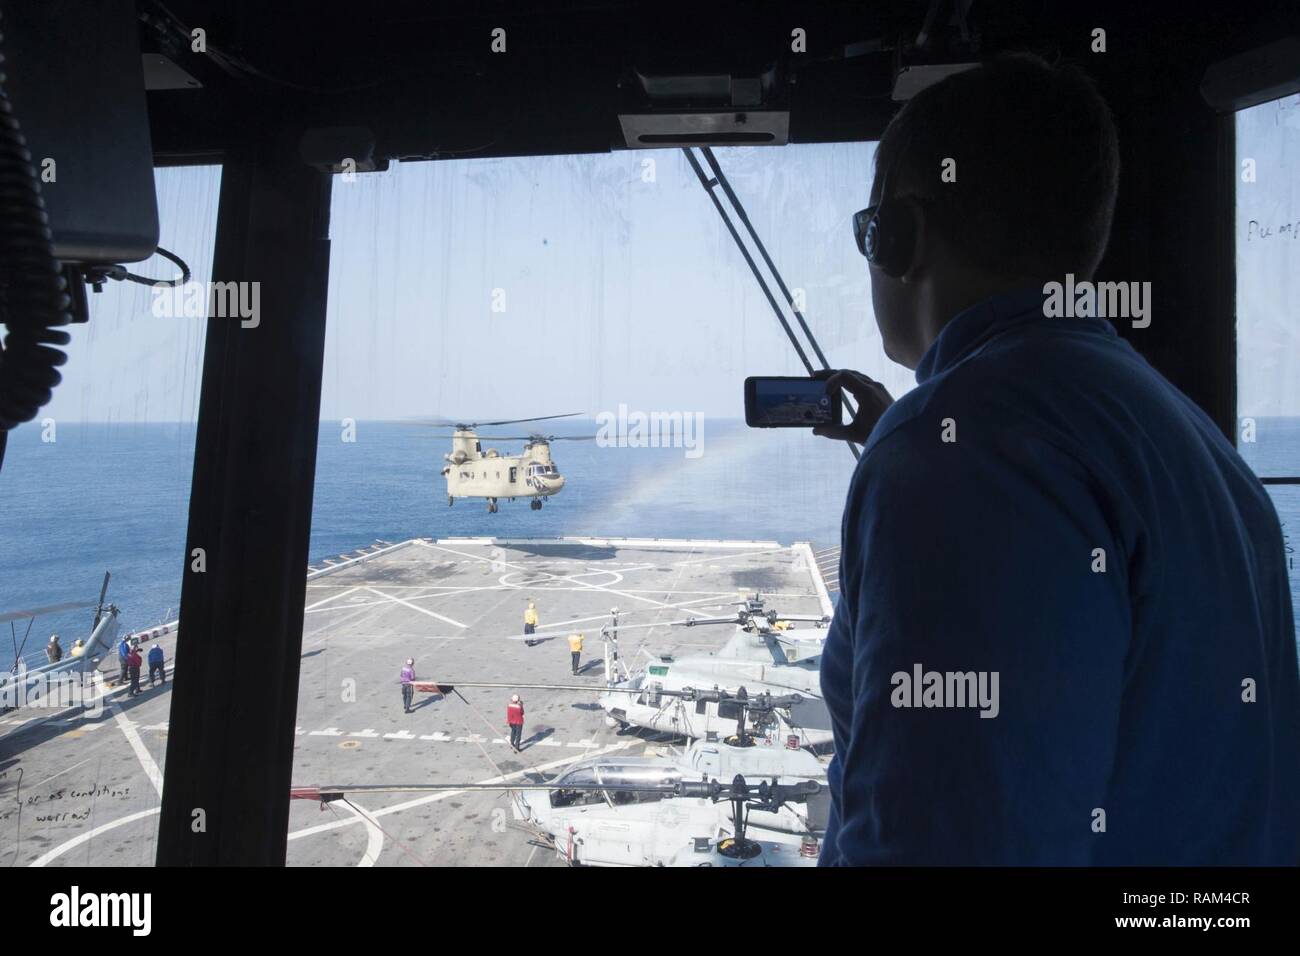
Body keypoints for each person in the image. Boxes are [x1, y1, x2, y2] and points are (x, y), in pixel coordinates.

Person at [815, 54, 1299, 865]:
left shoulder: (969, 449)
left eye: (871, 231)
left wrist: (929, 452)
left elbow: (943, 841)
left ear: (903, 236)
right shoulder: (1186, 437)